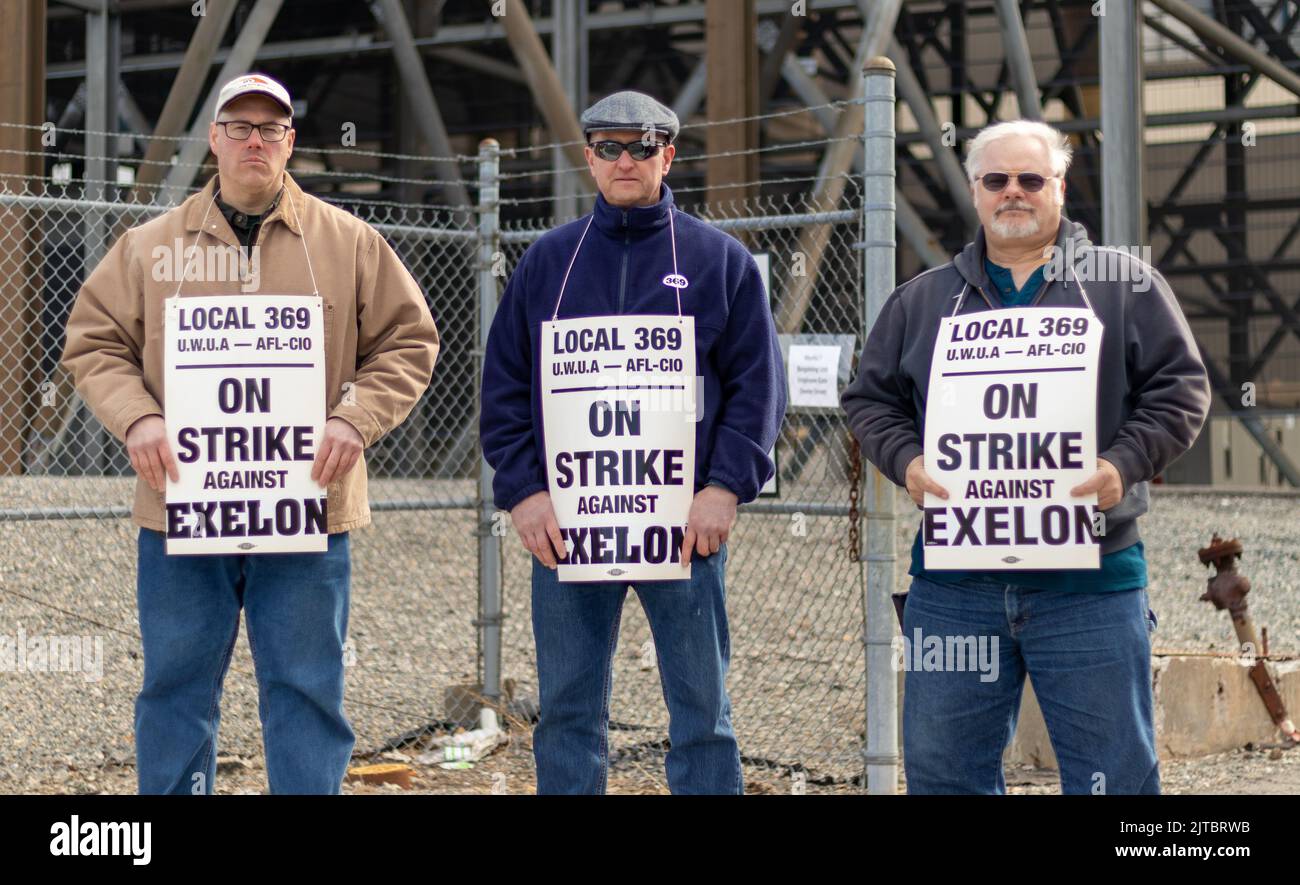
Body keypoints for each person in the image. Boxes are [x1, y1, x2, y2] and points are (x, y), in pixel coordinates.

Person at [62, 73, 440, 794]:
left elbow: (409, 341)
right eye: (240, 127)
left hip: (307, 509)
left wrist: (353, 416)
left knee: (304, 688)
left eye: (272, 128)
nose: (255, 141)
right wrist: (138, 416)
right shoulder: (150, 246)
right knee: (175, 686)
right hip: (182, 508)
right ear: (214, 139)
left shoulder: (349, 243)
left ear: (291, 142)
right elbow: (93, 340)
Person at [841, 119, 1210, 794]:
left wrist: (1121, 464)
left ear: (1059, 190)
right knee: (945, 775)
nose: (1014, 193)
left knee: (1116, 779)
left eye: (1031, 179)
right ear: (976, 193)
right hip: (955, 586)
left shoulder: (1124, 286)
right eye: (996, 180)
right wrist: (909, 461)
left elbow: (1181, 391)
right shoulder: (922, 301)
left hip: (1090, 582)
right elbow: (869, 401)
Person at [479, 90, 786, 794]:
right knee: (567, 709)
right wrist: (524, 492)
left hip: (682, 526)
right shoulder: (546, 264)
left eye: (642, 146)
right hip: (567, 526)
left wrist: (723, 487)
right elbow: (502, 388)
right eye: (609, 146)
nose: (626, 159)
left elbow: (758, 386)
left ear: (667, 155)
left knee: (703, 709)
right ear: (588, 157)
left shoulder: (719, 261)